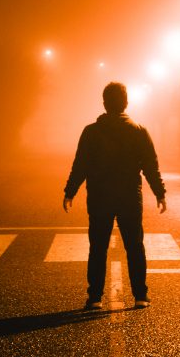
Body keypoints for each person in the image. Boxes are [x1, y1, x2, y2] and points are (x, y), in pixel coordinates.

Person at [63, 82, 167, 309]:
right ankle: (140, 295)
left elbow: (80, 165)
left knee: (98, 246)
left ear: (104, 103)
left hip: (100, 196)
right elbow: (151, 165)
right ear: (126, 103)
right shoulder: (139, 131)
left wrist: (70, 192)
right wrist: (159, 192)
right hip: (130, 196)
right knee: (134, 245)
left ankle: (95, 297)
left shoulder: (91, 132)